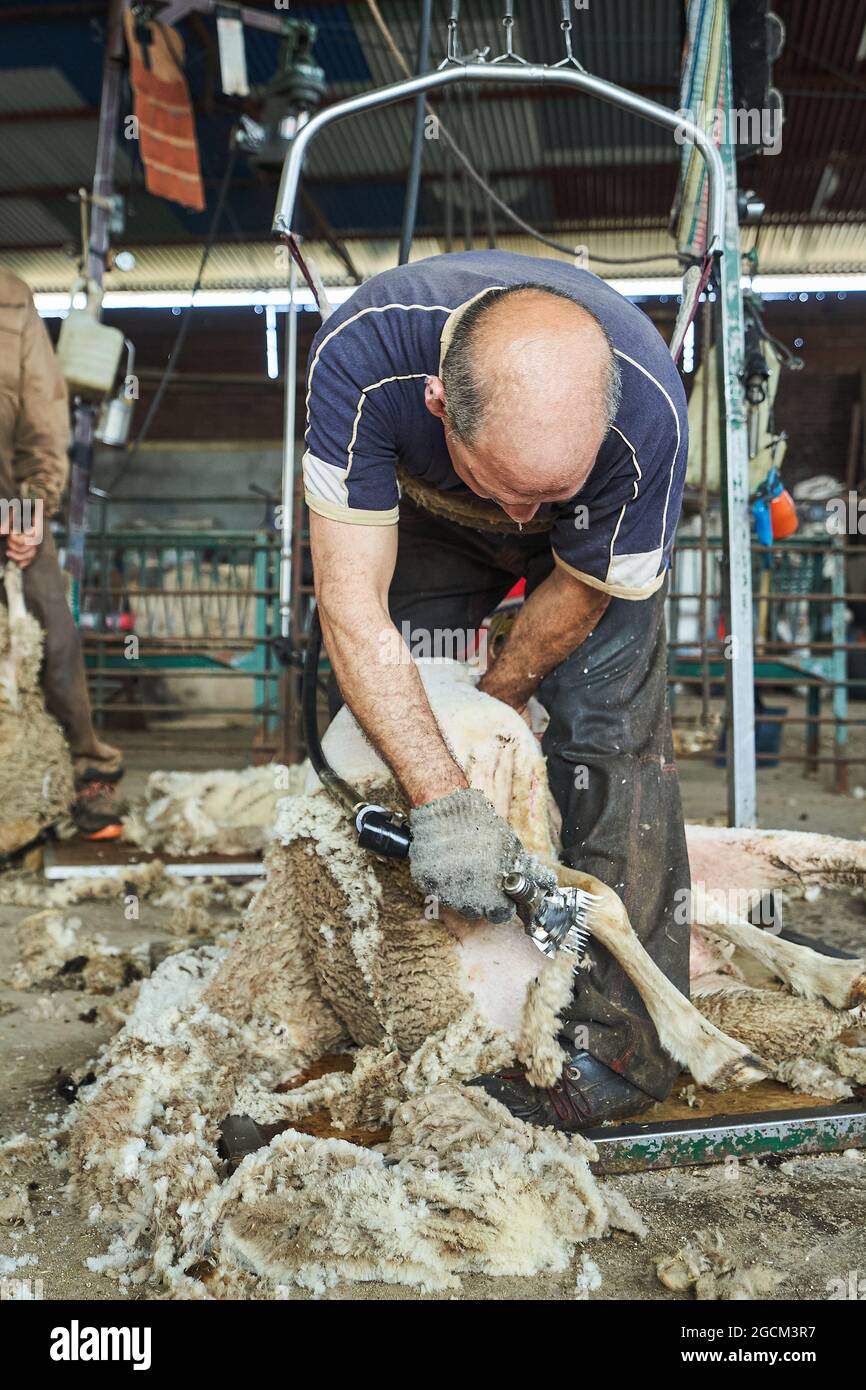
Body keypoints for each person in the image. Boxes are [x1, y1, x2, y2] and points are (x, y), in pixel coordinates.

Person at [304, 249, 690, 1129]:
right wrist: (441, 795)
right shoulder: (363, 361)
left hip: (588, 540)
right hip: (430, 508)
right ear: (439, 401)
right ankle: (410, 992)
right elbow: (351, 605)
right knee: (400, 720)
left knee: (610, 738)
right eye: (514, 490)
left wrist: (506, 689)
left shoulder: (650, 409)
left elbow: (579, 586)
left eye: (544, 491)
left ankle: (620, 1052)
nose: (524, 519)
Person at [0, 268, 123, 839]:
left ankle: (85, 772)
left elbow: (40, 407)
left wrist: (29, 511)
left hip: (6, 501)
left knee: (52, 626)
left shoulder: (9, 295)